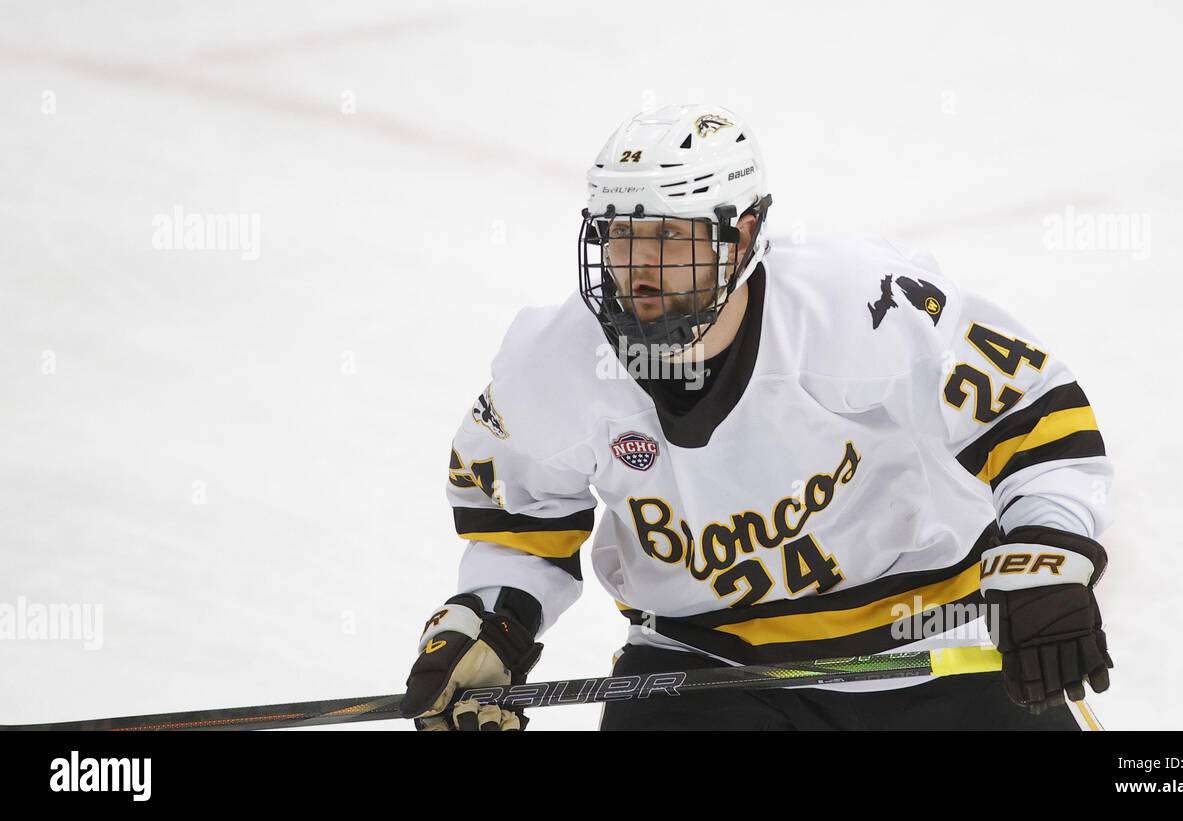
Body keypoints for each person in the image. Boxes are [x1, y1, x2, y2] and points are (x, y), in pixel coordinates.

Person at [399, 104, 1114, 731]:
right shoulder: (553, 363)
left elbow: (1033, 416)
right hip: (705, 672)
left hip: (936, 639)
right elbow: (519, 525)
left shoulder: (860, 308)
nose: (638, 269)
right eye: (620, 238)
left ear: (739, 238)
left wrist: (1045, 562)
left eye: (668, 240)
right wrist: (490, 620)